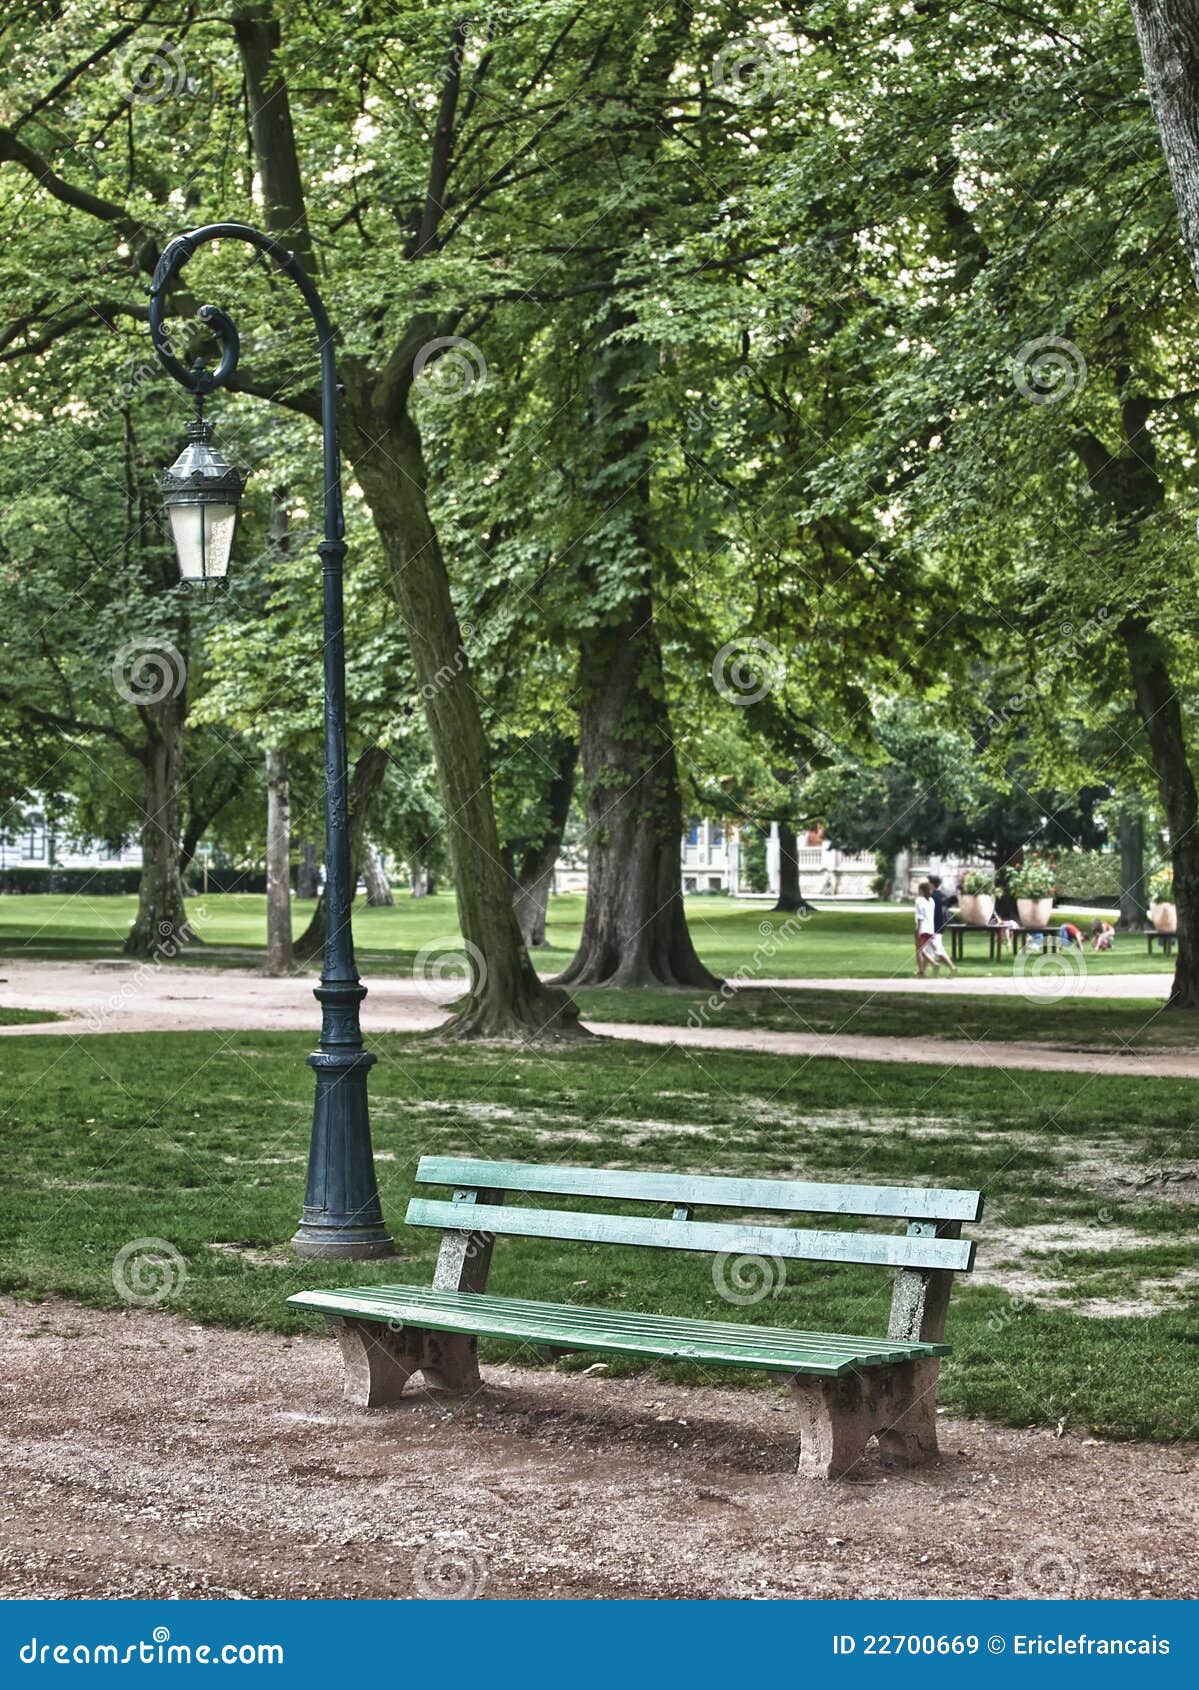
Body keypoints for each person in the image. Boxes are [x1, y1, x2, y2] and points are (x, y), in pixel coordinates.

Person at [993, 887, 1020, 954]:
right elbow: (994, 911)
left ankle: (1009, 943)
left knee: (1009, 929)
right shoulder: (999, 899)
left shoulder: (1010, 899)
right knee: (1006, 929)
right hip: (1003, 921)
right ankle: (1009, 943)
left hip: (1008, 921)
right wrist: (998, 918)